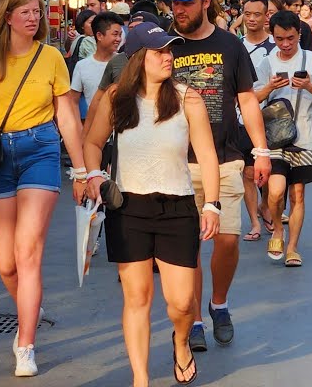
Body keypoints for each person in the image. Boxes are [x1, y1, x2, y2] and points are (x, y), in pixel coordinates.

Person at [82, 23, 222, 387]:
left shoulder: (188, 98)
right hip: (128, 208)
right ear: (139, 58)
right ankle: (140, 378)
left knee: (182, 303)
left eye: (170, 50)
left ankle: (181, 341)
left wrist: (212, 205)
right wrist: (93, 174)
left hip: (178, 207)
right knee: (137, 297)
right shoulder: (117, 97)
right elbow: (92, 143)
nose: (168, 57)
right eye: (160, 51)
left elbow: (207, 154)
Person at [0, 0, 87, 377]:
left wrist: (81, 170)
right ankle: (29, 305)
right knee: (5, 262)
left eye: (37, 11)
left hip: (40, 149)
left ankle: (26, 343)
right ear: (8, 17)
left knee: (27, 251)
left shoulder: (51, 57)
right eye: (25, 12)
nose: (33, 18)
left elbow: (67, 116)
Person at [159, 0, 272, 352]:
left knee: (226, 240)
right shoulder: (164, 45)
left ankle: (218, 304)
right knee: (186, 247)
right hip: (177, 162)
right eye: (174, 3)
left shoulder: (230, 45)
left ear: (206, 3)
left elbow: (247, 100)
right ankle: (193, 318)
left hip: (224, 159)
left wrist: (261, 150)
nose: (179, 10)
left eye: (186, 3)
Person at [254, 10, 312, 266]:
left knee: (298, 194)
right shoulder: (267, 63)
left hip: (305, 136)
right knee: (276, 192)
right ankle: (277, 229)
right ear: (272, 36)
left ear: (299, 34)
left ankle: (292, 248)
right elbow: (252, 98)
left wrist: (308, 85)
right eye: (279, 39)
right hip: (275, 137)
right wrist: (270, 87)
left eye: (290, 38)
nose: (285, 44)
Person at [238, 0, 276, 241]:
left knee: (269, 172)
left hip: (272, 119)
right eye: (247, 14)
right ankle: (254, 221)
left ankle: (266, 206)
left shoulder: (276, 46)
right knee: (248, 173)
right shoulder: (235, 46)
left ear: (266, 17)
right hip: (240, 119)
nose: (251, 19)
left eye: (257, 15)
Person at [72, 12, 125, 122]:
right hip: (93, 124)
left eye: (120, 35)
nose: (119, 39)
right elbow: (73, 101)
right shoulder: (82, 66)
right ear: (99, 35)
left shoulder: (124, 62)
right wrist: (78, 127)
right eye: (115, 34)